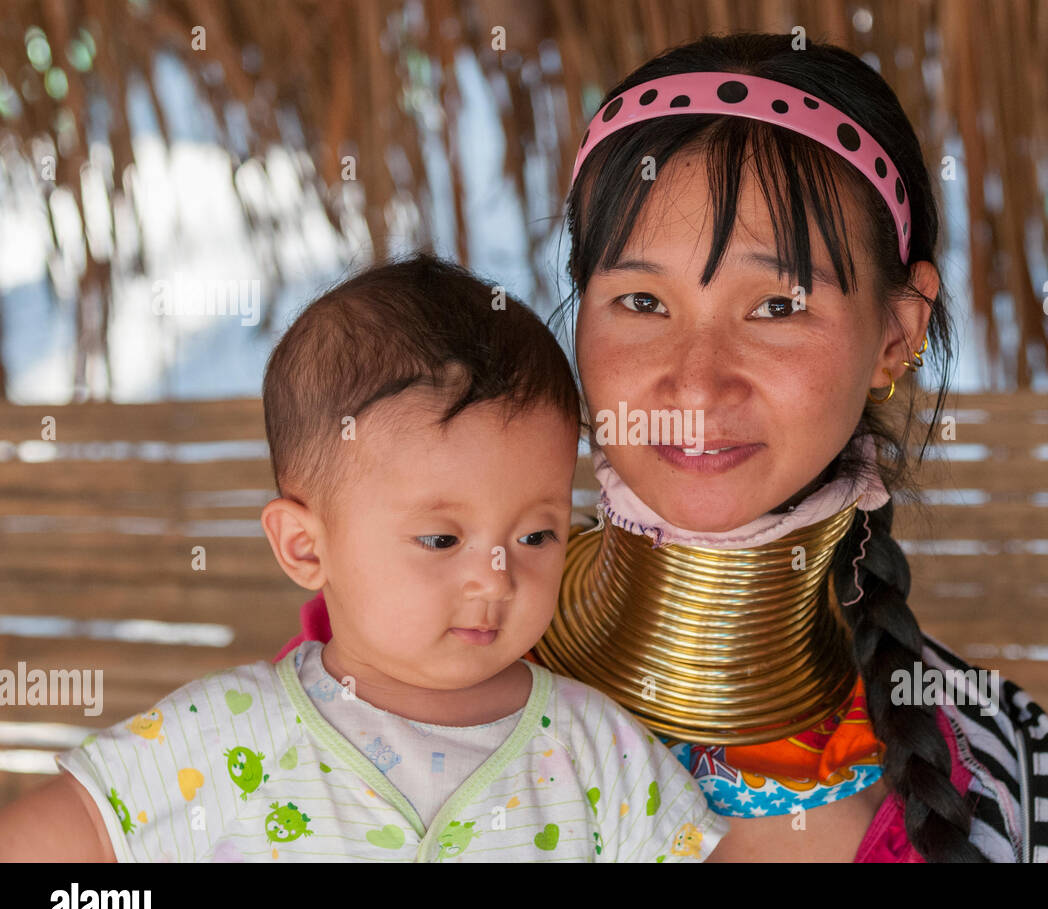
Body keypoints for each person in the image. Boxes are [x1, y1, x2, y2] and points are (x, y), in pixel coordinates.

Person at [283, 32, 1048, 862]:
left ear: (895, 332)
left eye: (777, 306)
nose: (698, 386)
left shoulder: (995, 767)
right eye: (641, 300)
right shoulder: (382, 675)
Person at [0, 255, 727, 863]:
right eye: (442, 540)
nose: (495, 575)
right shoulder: (225, 734)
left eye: (535, 535)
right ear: (305, 546)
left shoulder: (601, 752)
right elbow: (57, 842)